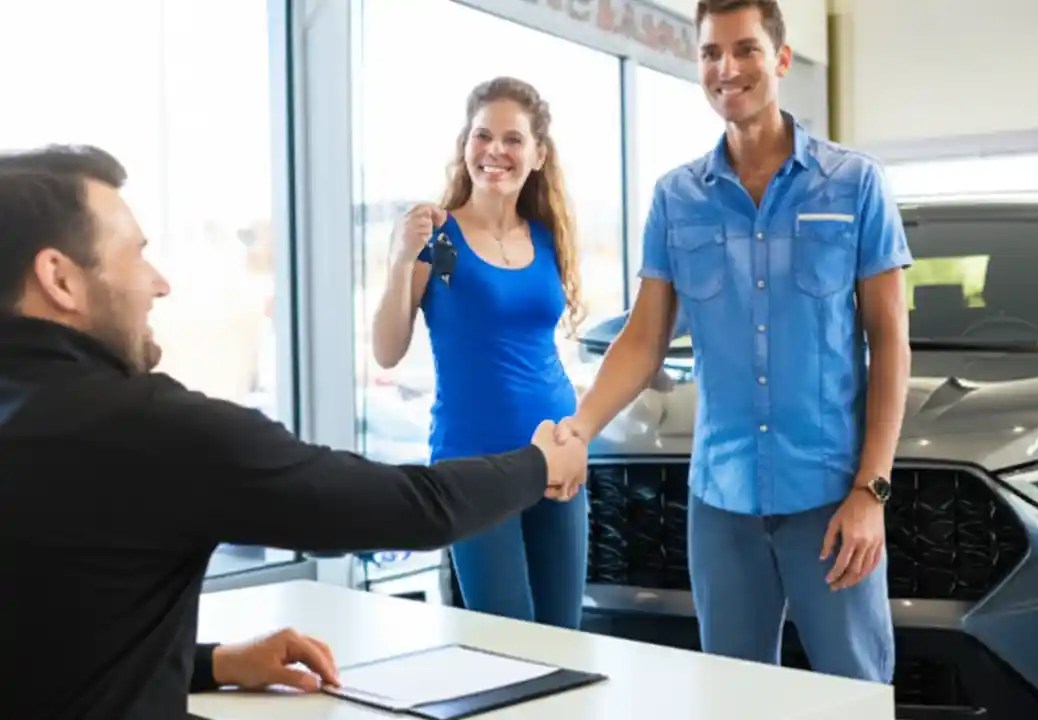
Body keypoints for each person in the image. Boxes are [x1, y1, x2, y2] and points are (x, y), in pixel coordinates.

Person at [0, 145, 587, 720]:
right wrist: (538, 465)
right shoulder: (151, 431)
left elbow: (55, 638)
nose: (159, 284)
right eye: (135, 255)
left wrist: (215, 664)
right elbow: (409, 509)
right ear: (60, 279)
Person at [554, 0, 912, 684]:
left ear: (781, 59)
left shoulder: (855, 184)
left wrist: (872, 491)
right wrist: (579, 429)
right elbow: (643, 337)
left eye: (745, 49)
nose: (727, 68)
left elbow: (890, 343)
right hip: (722, 504)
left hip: (830, 497)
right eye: (711, 53)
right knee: (734, 698)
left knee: (856, 691)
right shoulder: (676, 197)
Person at [371, 76, 590, 630]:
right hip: (474, 468)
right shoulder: (441, 239)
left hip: (556, 453)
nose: (495, 150)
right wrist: (400, 261)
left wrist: (579, 433)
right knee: (506, 644)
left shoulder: (546, 236)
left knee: (563, 638)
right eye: (483, 136)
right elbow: (388, 351)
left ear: (538, 155)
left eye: (513, 139)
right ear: (465, 145)